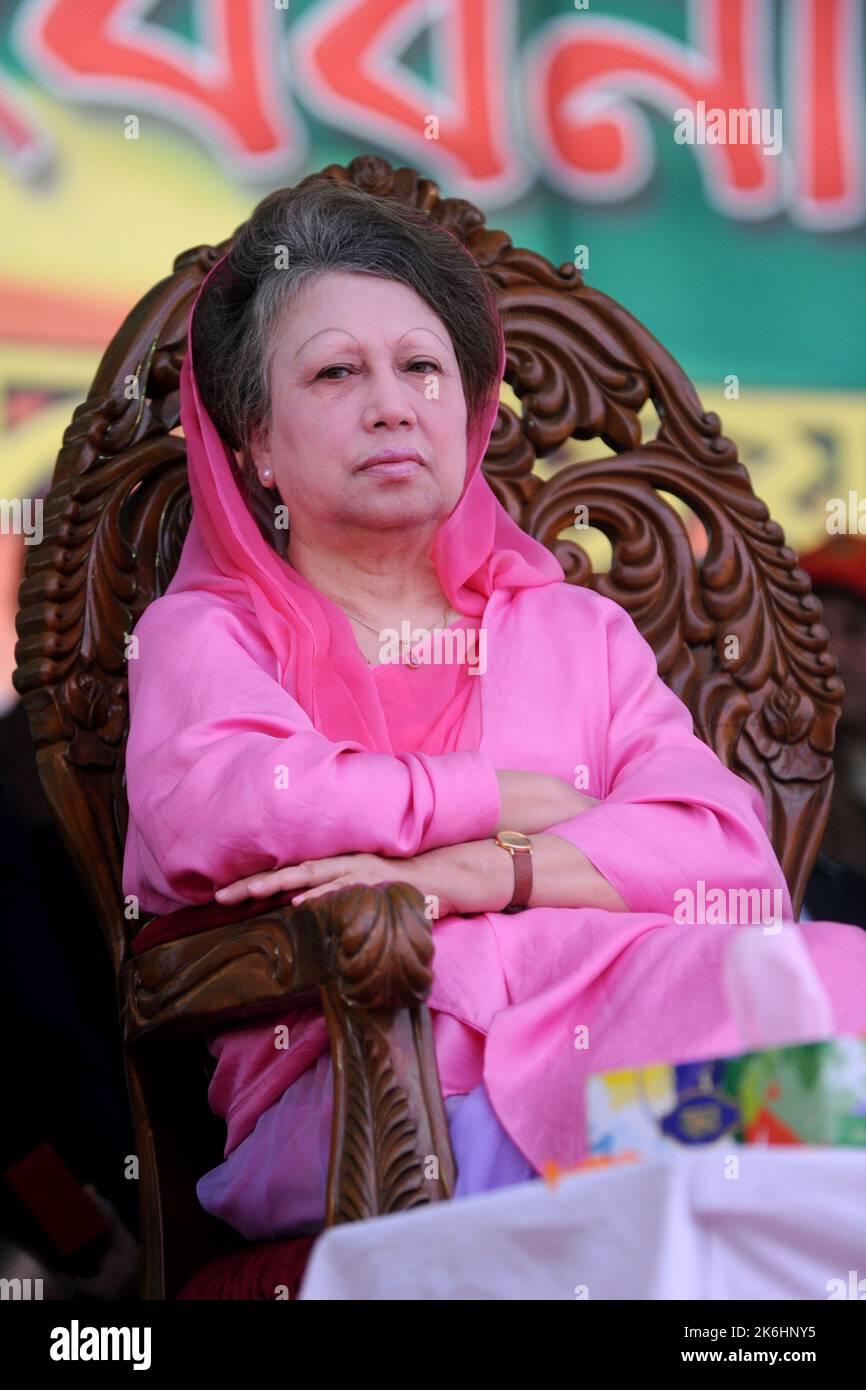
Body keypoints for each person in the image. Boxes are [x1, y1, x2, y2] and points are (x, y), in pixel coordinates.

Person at [122, 177, 866, 1244]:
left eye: (422, 368)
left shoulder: (573, 631)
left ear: (470, 417)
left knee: (828, 1000)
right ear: (255, 444)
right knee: (736, 1141)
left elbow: (724, 860)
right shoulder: (209, 634)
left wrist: (480, 868)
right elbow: (229, 807)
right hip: (370, 1081)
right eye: (336, 371)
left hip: (629, 1022)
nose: (392, 403)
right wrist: (502, 795)